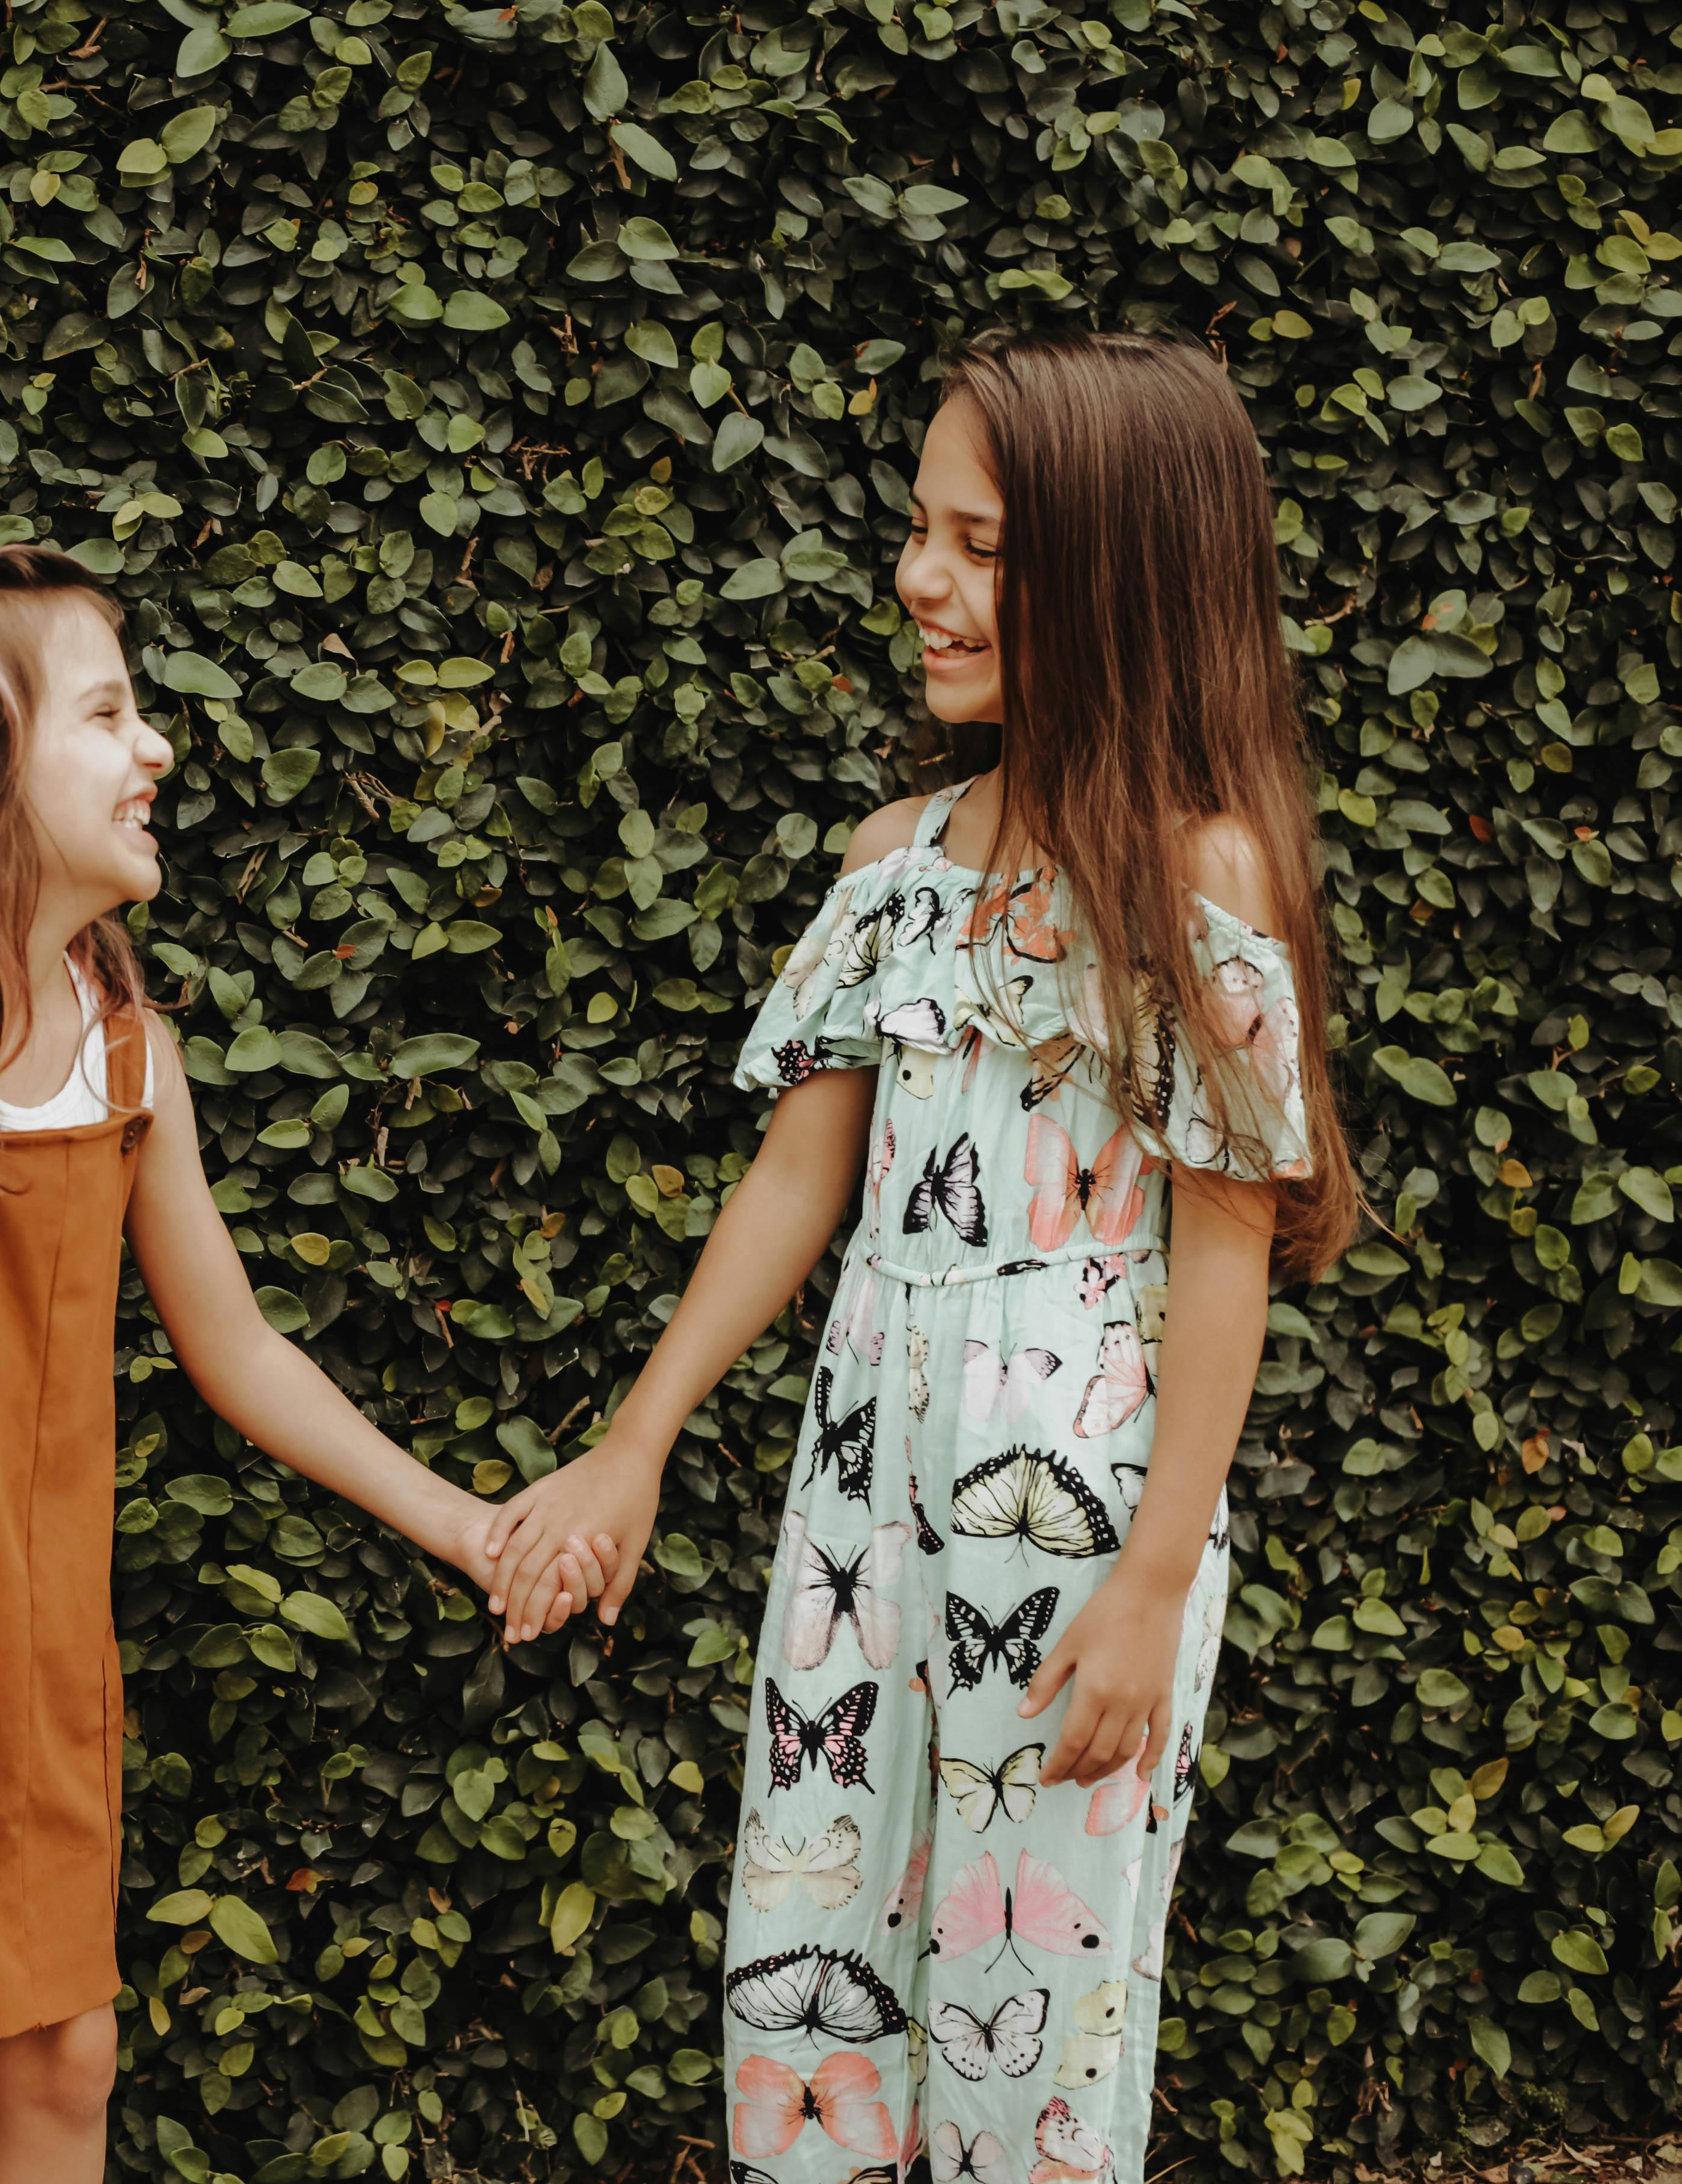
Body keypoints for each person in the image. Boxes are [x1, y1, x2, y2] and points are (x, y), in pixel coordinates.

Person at [479, 328, 1358, 2184]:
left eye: (976, 546)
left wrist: (1151, 1579)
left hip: (1079, 1513)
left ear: (1113, 583)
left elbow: (1228, 1255)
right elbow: (804, 1184)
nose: (917, 581)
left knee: (1027, 2012)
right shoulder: (902, 858)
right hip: (862, 1493)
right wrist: (632, 1447)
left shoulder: (1199, 877)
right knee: (814, 1972)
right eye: (919, 532)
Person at [0, 545, 588, 2182]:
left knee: (68, 2061)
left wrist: (464, 1522)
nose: (157, 748)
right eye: (107, 714)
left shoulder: (122, 1045)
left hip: (30, 1668)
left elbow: (236, 1346)